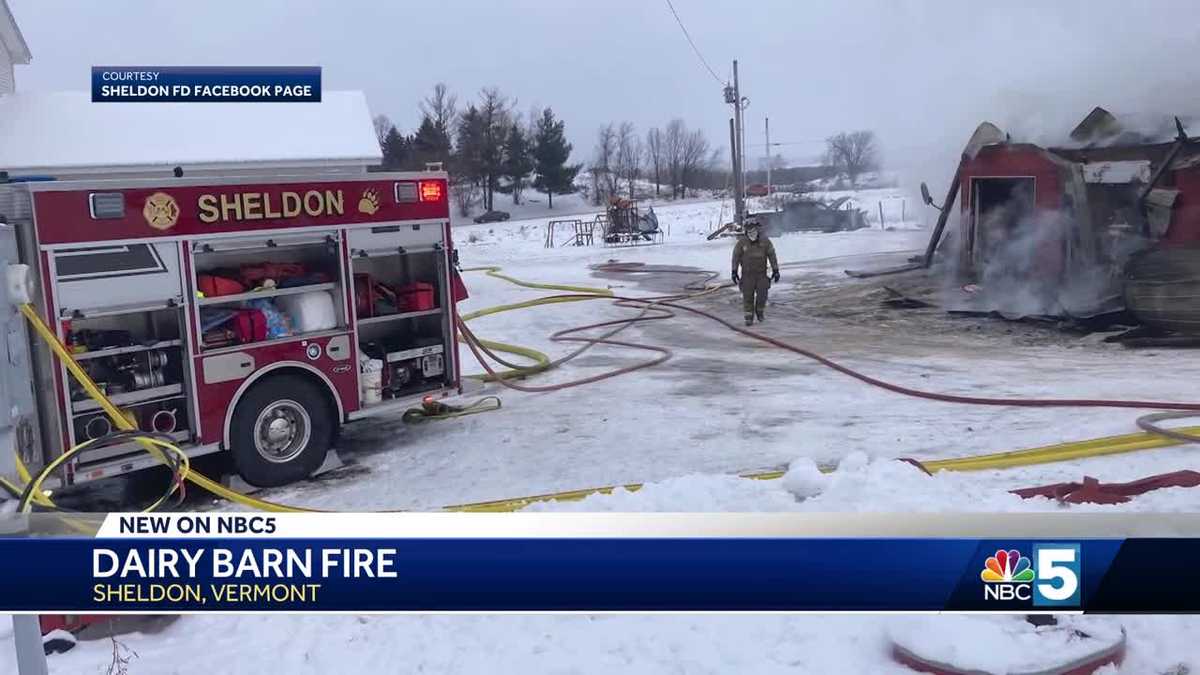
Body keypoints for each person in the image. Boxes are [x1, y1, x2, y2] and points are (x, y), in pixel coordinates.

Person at [731, 217, 780, 325]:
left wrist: (775, 270)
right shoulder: (742, 243)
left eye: (753, 228)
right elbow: (736, 257)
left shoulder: (765, 241)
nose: (751, 231)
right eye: (748, 228)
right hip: (747, 275)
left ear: (757, 228)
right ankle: (748, 317)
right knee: (748, 296)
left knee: (762, 295)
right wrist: (734, 271)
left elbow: (772, 255)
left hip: (761, 274)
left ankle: (760, 312)